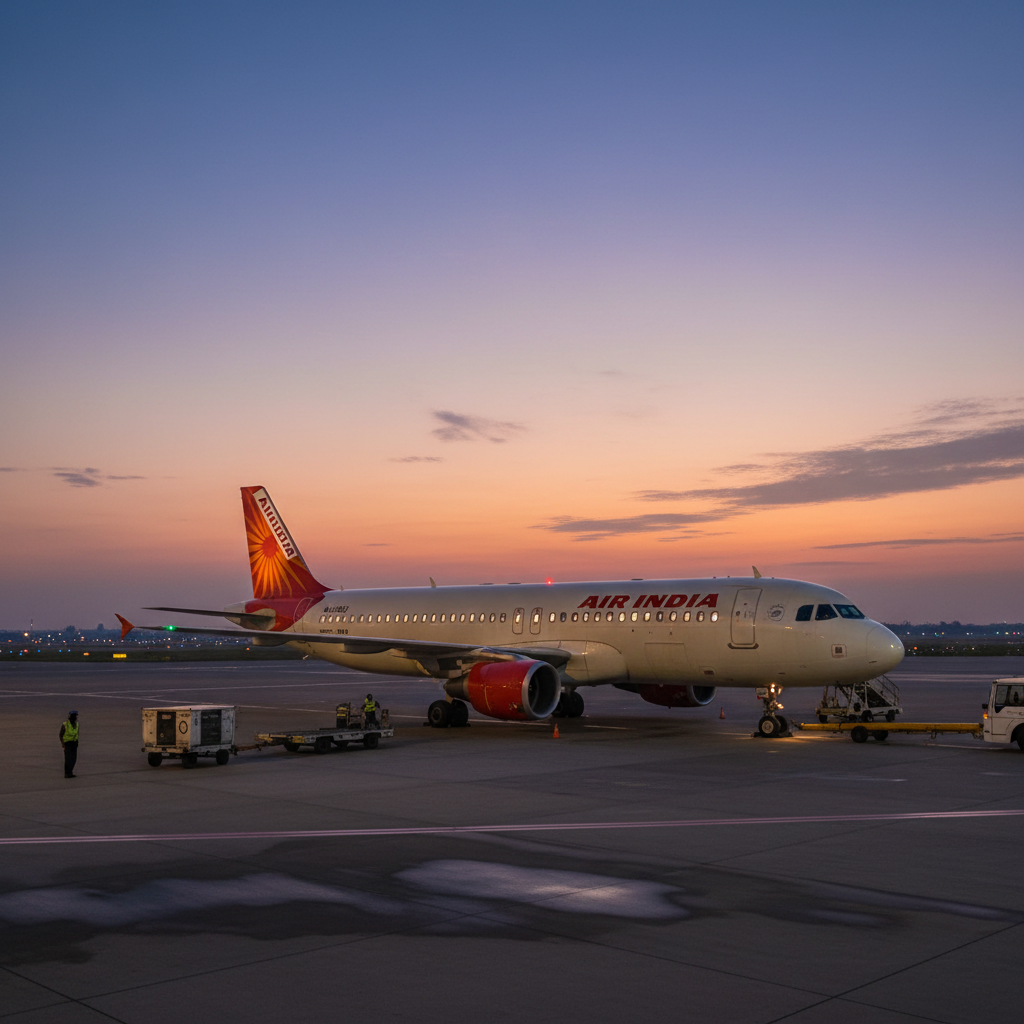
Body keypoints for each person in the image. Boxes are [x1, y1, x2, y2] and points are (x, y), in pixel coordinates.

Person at [60, 711, 79, 778]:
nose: (75, 718)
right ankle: (67, 773)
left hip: (74, 743)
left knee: (74, 759)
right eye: (73, 716)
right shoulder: (65, 724)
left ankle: (70, 772)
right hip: (67, 743)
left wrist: (77, 742)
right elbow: (61, 735)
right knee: (68, 759)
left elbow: (77, 734)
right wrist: (63, 745)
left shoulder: (77, 724)